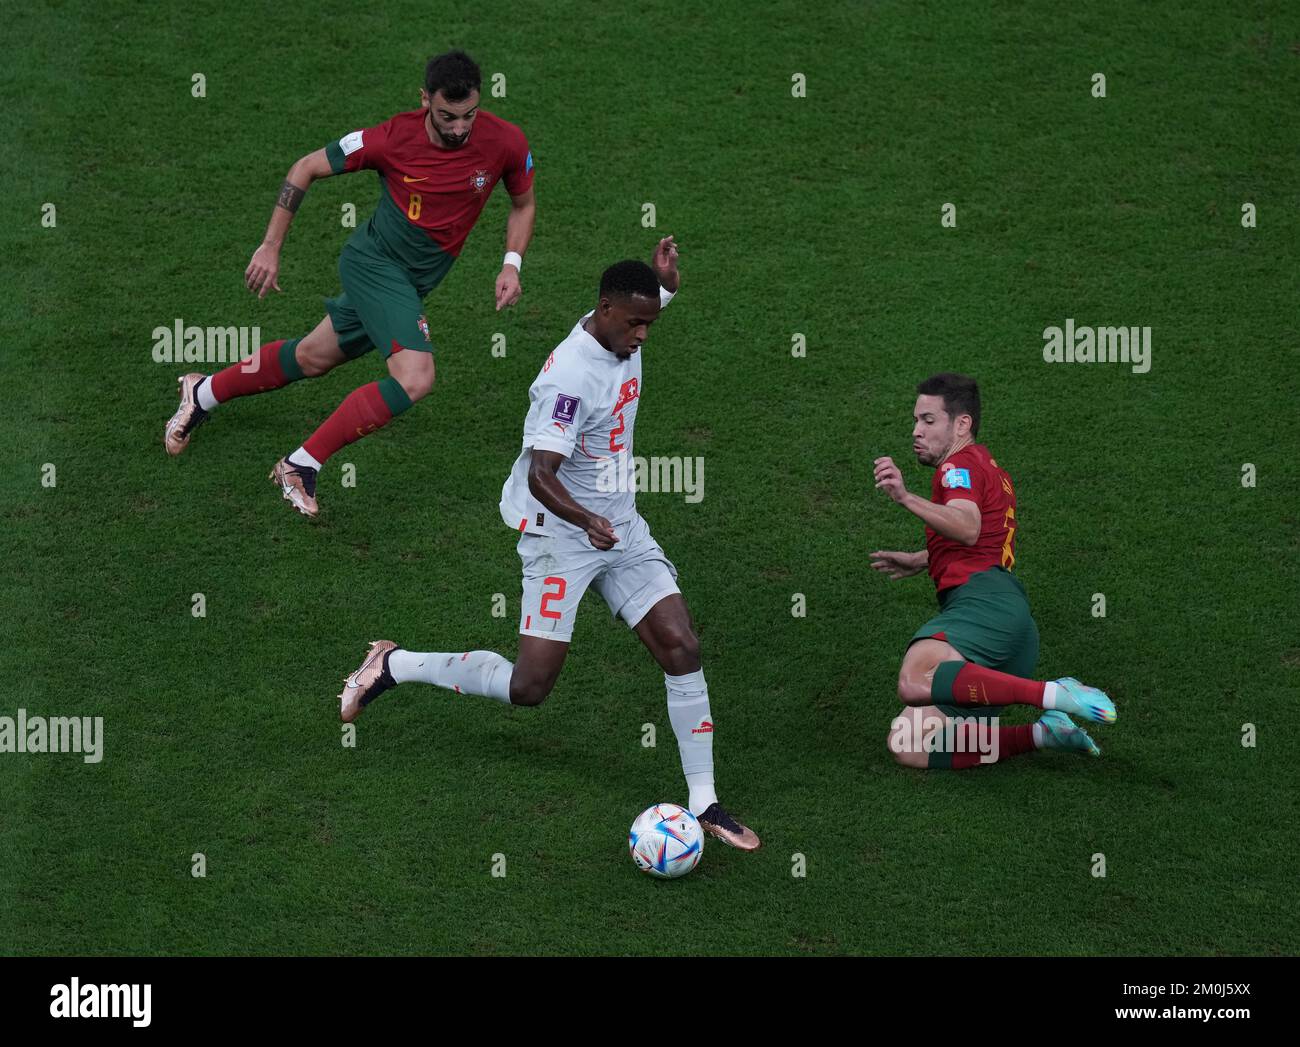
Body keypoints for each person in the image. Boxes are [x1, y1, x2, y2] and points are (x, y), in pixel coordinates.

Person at [338, 237, 760, 850]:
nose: (645, 336)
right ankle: (393, 664)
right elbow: (541, 476)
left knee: (681, 646)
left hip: (621, 525)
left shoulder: (618, 324)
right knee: (529, 688)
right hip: (561, 533)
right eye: (638, 323)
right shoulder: (569, 378)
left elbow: (644, 305)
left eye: (652, 322)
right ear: (606, 309)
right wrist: (587, 521)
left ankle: (706, 804)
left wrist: (666, 285)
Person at [164, 50, 536, 519]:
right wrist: (270, 246)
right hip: (375, 266)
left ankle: (202, 392)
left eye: (469, 115)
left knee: (312, 357)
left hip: (415, 280)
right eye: (447, 116)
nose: (460, 128)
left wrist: (511, 264)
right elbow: (305, 167)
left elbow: (522, 204)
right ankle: (300, 464)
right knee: (416, 377)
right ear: (424, 100)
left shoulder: (504, 141)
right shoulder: (389, 139)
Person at [871, 373, 1117, 769]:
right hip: (1013, 629)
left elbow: (967, 528)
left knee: (913, 680)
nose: (916, 431)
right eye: (915, 420)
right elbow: (983, 539)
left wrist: (904, 497)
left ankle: (1054, 693)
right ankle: (1044, 733)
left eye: (928, 420)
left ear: (962, 423)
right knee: (908, 742)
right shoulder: (989, 468)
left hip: (983, 606)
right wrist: (923, 559)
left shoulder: (956, 467)